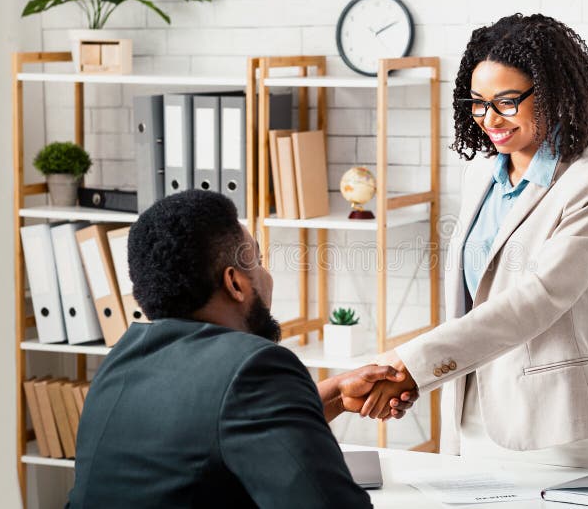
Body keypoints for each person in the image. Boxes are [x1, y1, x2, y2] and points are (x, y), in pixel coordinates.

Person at [362, 13, 588, 469]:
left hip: (556, 431)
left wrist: (410, 362)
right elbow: (471, 300)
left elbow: (538, 300)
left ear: (552, 92)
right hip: (469, 420)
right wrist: (416, 378)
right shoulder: (482, 173)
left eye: (507, 102)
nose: (490, 119)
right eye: (478, 103)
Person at [66, 190, 415, 509]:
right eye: (259, 261)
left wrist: (336, 395)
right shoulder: (254, 366)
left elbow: (214, 429)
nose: (267, 275)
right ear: (235, 283)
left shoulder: (120, 361)